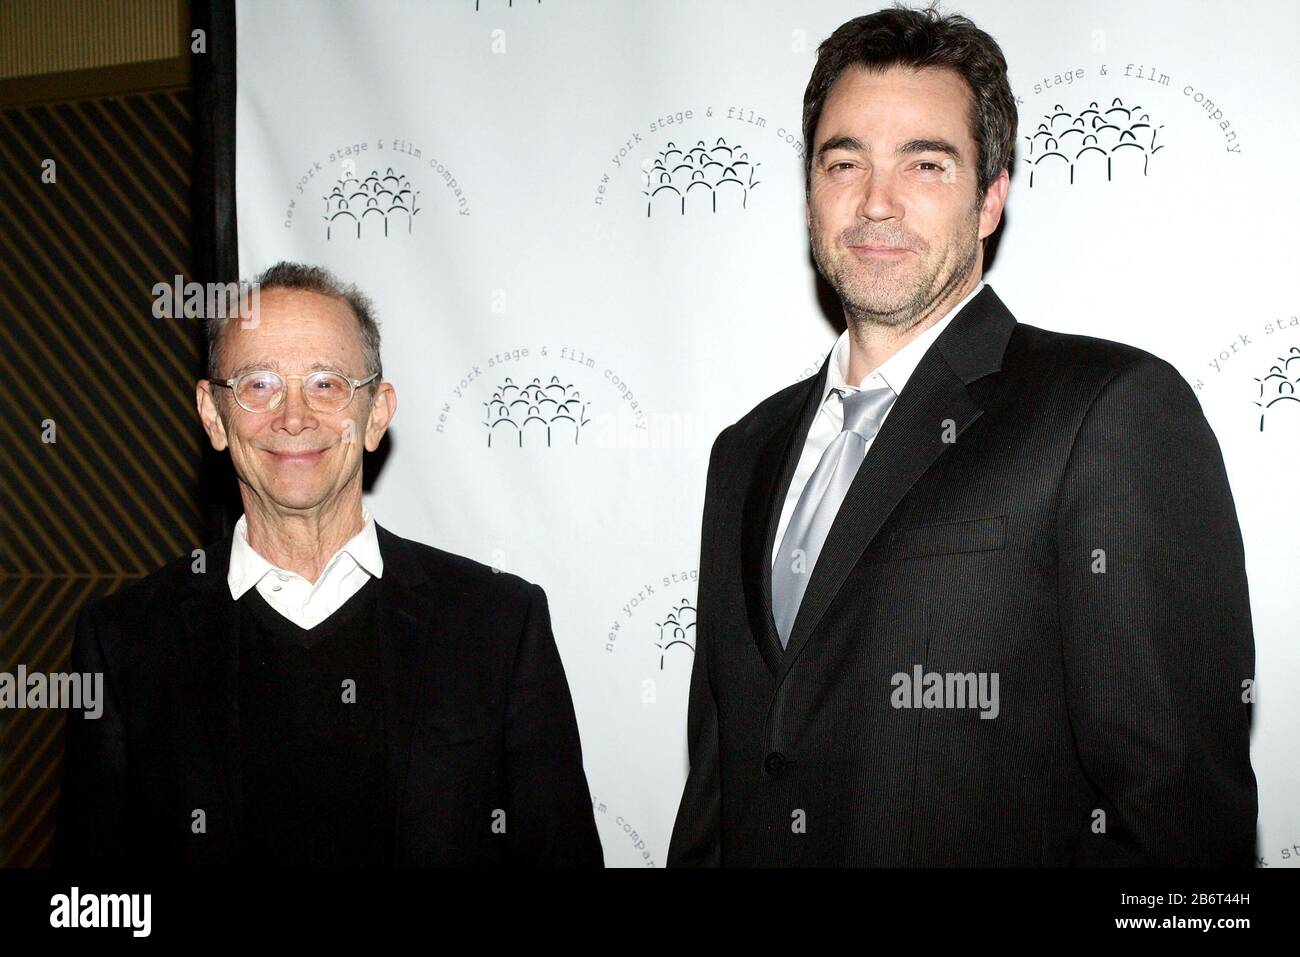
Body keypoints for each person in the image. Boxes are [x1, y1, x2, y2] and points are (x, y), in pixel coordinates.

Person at [667, 4, 1256, 867]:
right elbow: (718, 796)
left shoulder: (1109, 411)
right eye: (844, 162)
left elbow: (1183, 836)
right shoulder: (745, 452)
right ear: (808, 193)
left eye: (926, 164)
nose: (876, 201)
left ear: (991, 198)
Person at [56, 261, 603, 867]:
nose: (293, 416)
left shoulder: (497, 624)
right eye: (259, 383)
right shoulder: (126, 640)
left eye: (326, 383)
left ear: (376, 413)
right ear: (214, 416)